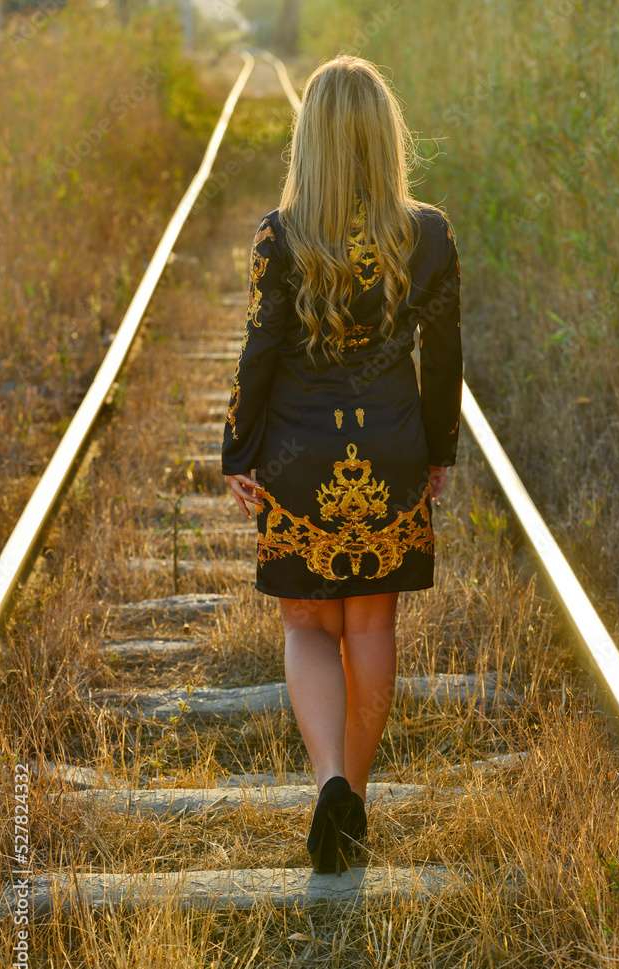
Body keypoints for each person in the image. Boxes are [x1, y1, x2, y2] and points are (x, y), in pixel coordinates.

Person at [221, 55, 462, 876]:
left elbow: (260, 351)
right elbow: (445, 358)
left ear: (311, 139)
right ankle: (352, 794)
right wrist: (436, 453)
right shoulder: (427, 233)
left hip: (298, 454)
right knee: (371, 625)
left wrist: (238, 451)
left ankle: (326, 779)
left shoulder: (280, 234)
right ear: (383, 137)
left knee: (304, 625)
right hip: (389, 450)